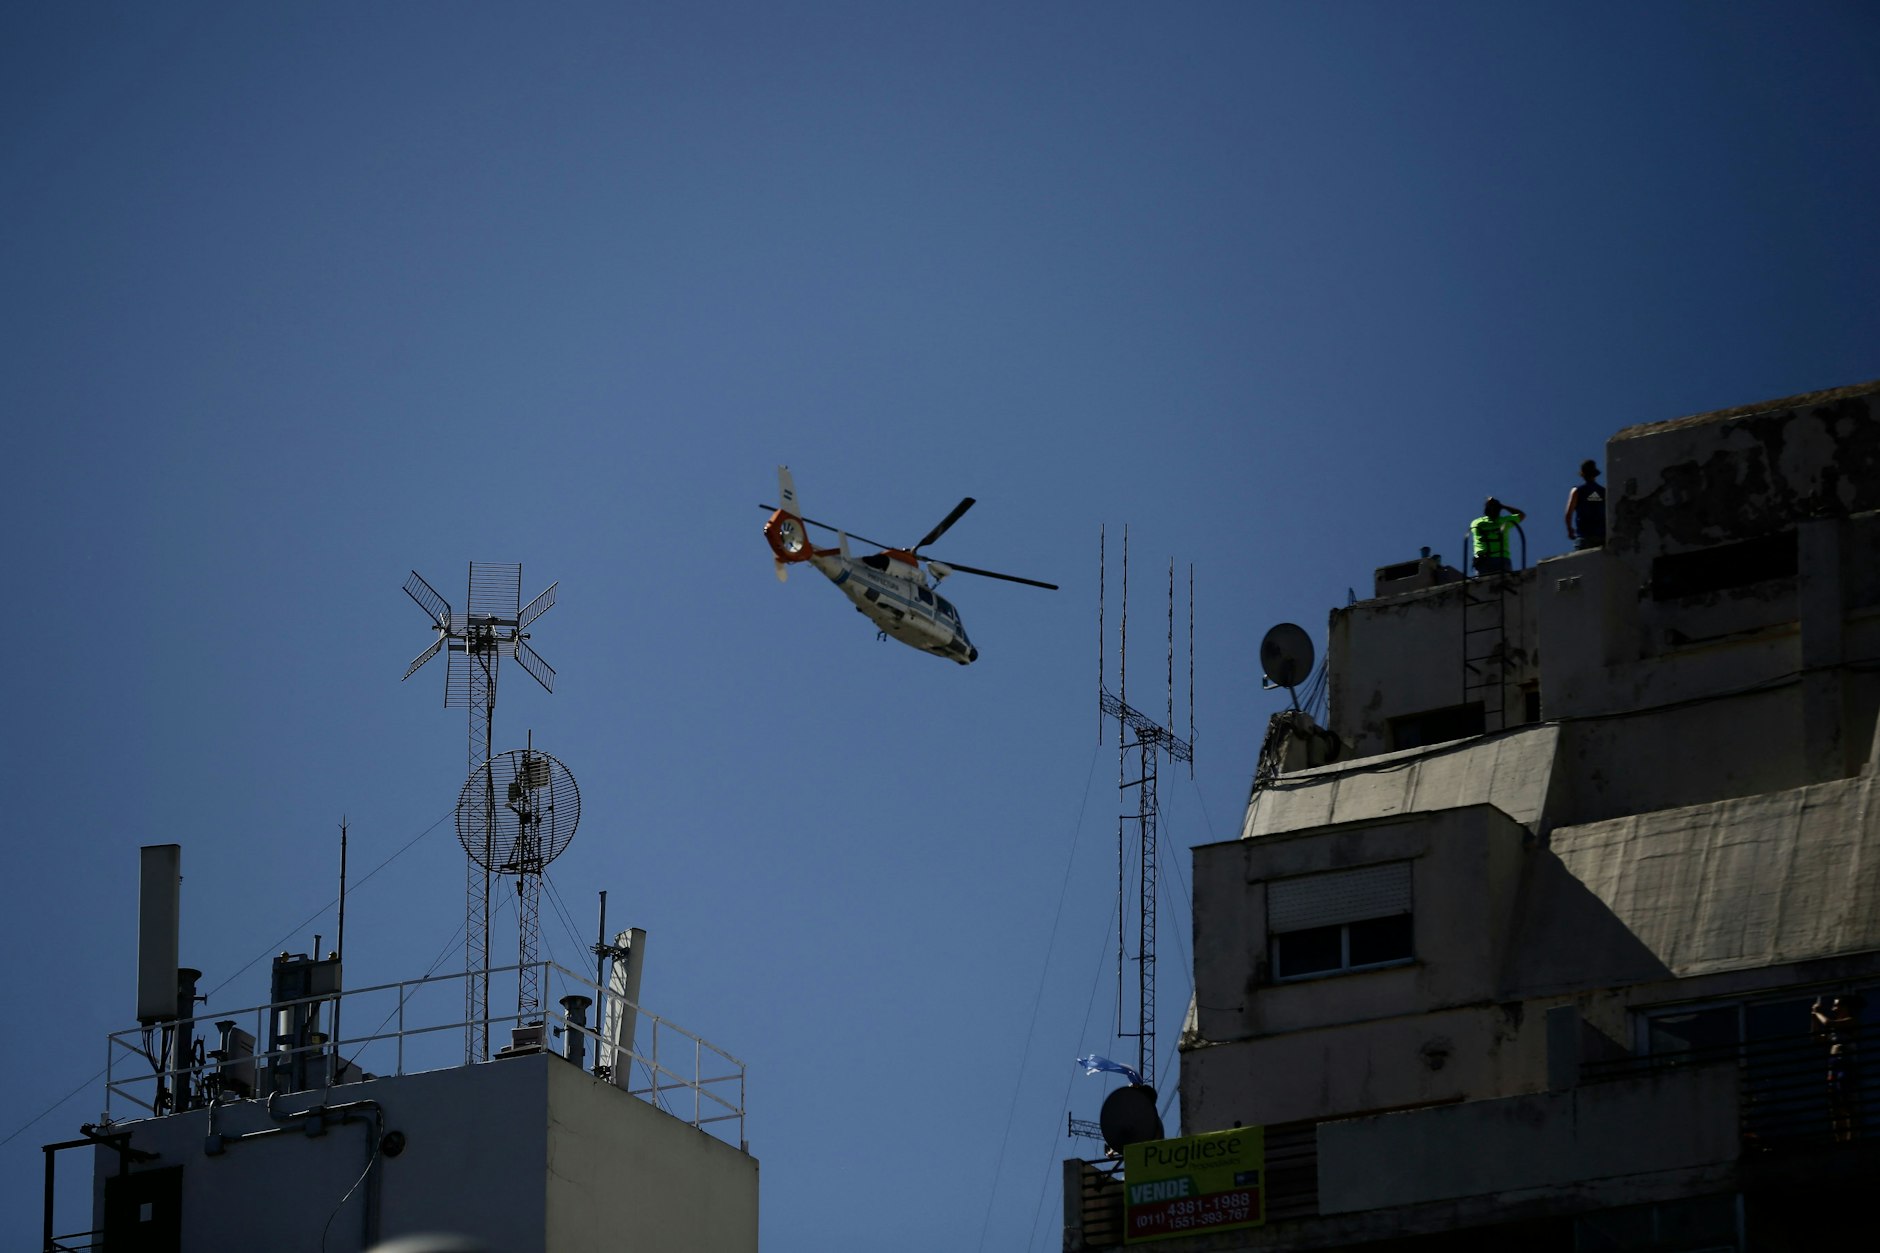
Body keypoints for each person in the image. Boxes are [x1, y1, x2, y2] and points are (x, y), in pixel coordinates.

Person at [1812, 994, 1863, 1142]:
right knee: (1835, 1107)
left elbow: (1828, 1023)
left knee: (1849, 1105)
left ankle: (1853, 1138)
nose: (1834, 1009)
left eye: (1837, 1005)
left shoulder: (1851, 1022)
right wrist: (1813, 1017)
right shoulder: (1834, 1029)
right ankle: (1840, 1139)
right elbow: (1817, 1038)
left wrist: (1818, 1013)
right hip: (1833, 1068)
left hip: (1846, 1067)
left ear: (1845, 1007)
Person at [1470, 497, 1525, 575]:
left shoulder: (1476, 523)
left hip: (1483, 560)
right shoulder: (1504, 521)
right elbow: (1522, 515)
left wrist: (1490, 504)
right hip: (1501, 558)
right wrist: (1503, 506)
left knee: (1482, 585)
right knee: (1504, 584)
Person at [1565, 460, 1606, 550]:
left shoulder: (1577, 491)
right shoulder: (1604, 492)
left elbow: (1568, 513)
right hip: (1602, 536)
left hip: (1584, 536)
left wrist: (1570, 530)